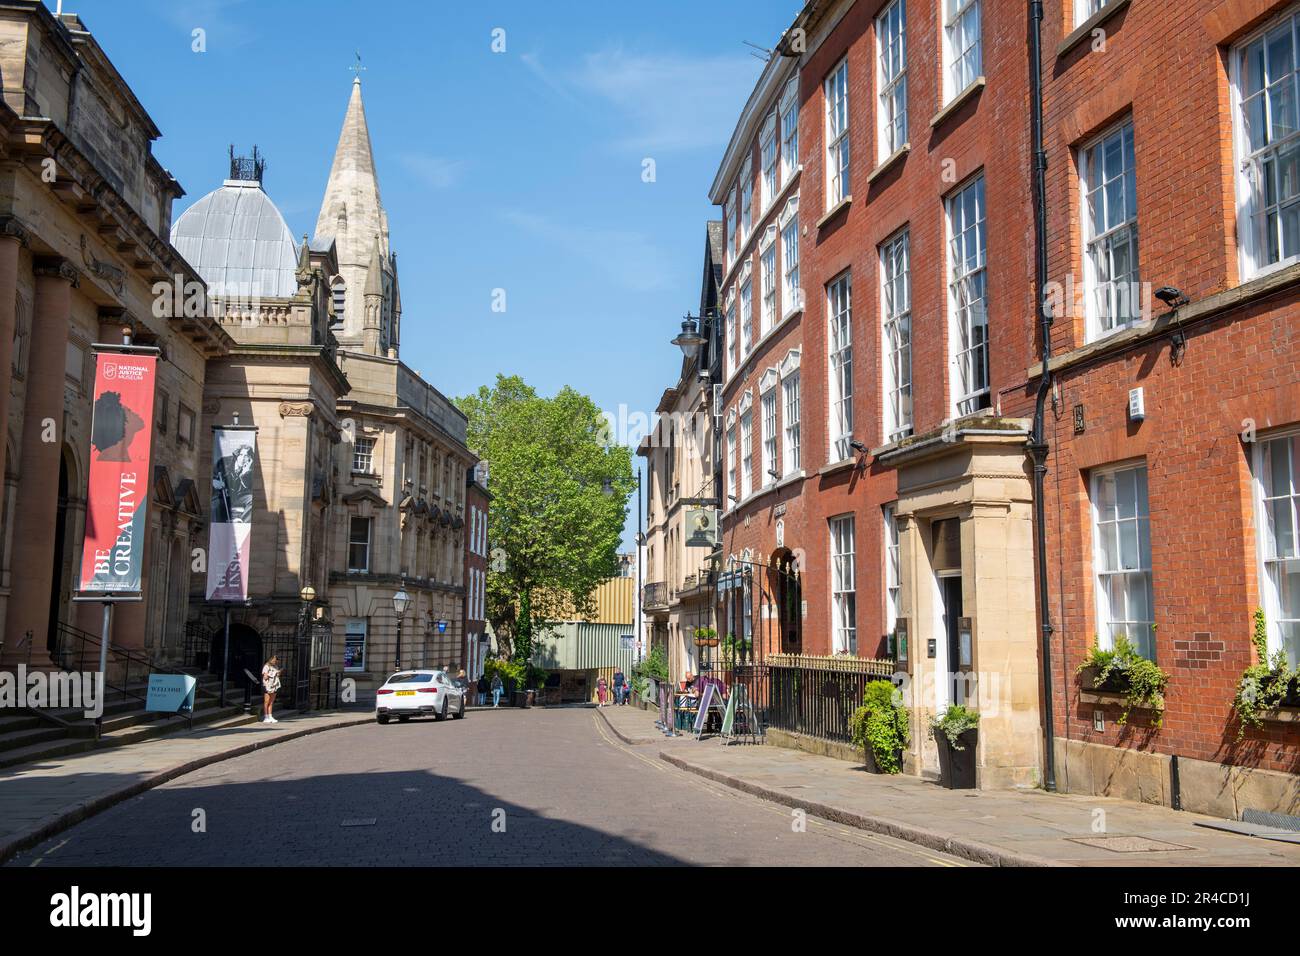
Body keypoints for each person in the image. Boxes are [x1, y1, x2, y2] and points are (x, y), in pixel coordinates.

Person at [261, 656, 282, 723]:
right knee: (266, 702)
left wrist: (278, 673)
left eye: (276, 661)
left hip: (274, 685)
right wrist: (271, 674)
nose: (275, 662)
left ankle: (270, 716)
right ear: (271, 660)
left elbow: (278, 676)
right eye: (274, 660)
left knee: (271, 702)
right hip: (268, 685)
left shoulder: (275, 667)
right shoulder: (266, 666)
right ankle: (266, 717)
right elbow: (265, 677)